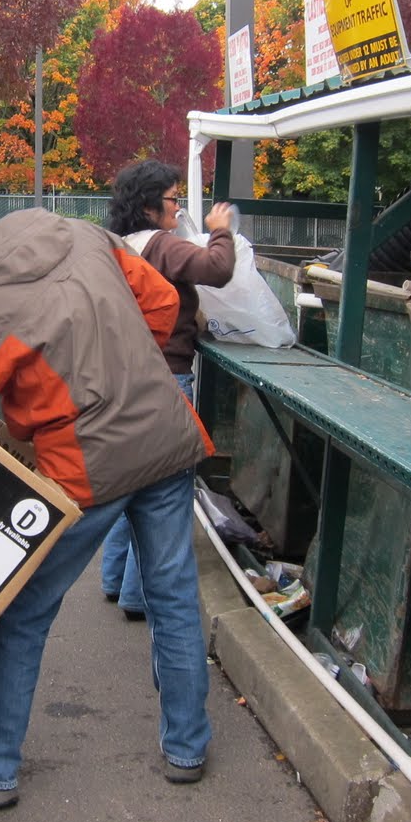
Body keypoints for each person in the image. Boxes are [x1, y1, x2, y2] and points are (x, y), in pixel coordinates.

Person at [0, 190, 214, 807]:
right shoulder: (76, 231)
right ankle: (187, 748)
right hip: (166, 434)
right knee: (173, 596)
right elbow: (163, 302)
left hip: (88, 463)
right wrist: (122, 371)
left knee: (21, 613)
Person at [99, 161, 236, 620]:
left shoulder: (117, 245)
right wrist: (221, 230)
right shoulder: (162, 245)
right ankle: (138, 598)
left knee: (128, 484)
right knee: (160, 496)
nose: (178, 208)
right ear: (149, 207)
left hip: (122, 378)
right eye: (174, 199)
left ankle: (113, 580)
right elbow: (217, 269)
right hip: (166, 381)